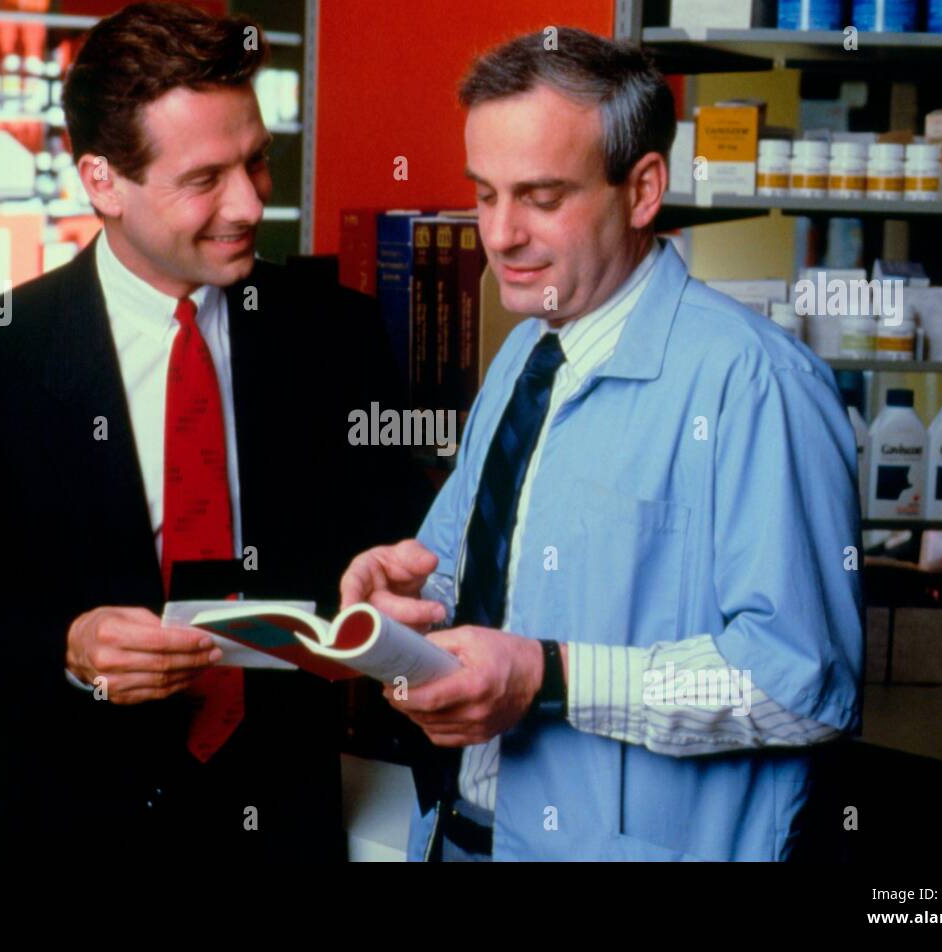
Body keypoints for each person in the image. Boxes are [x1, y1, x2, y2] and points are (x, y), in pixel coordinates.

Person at [0, 2, 427, 861]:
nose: (248, 204)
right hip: (60, 833)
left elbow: (402, 551)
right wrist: (67, 648)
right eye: (204, 180)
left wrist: (386, 611)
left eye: (257, 162)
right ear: (102, 182)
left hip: (280, 826)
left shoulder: (335, 335)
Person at [339, 28, 863, 861]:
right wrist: (397, 602)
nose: (500, 235)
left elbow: (805, 685)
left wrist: (550, 678)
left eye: (542, 198)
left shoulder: (755, 384)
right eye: (485, 194)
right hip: (452, 837)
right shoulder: (524, 353)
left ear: (644, 188)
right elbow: (468, 577)